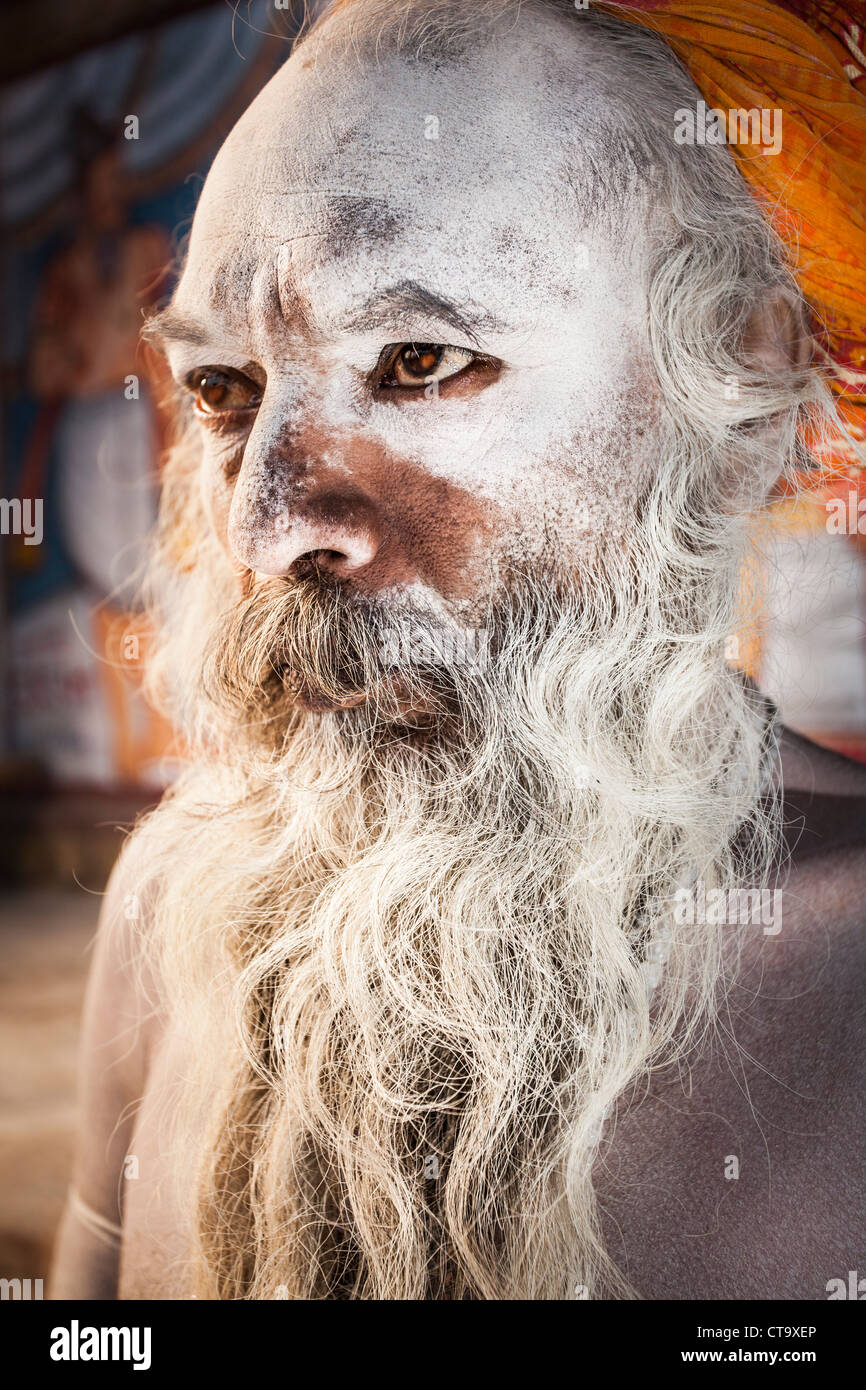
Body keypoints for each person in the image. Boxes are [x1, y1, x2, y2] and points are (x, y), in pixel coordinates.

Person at [51, 0, 866, 1300]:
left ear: (739, 395)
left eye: (419, 361)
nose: (262, 526)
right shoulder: (175, 906)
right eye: (222, 390)